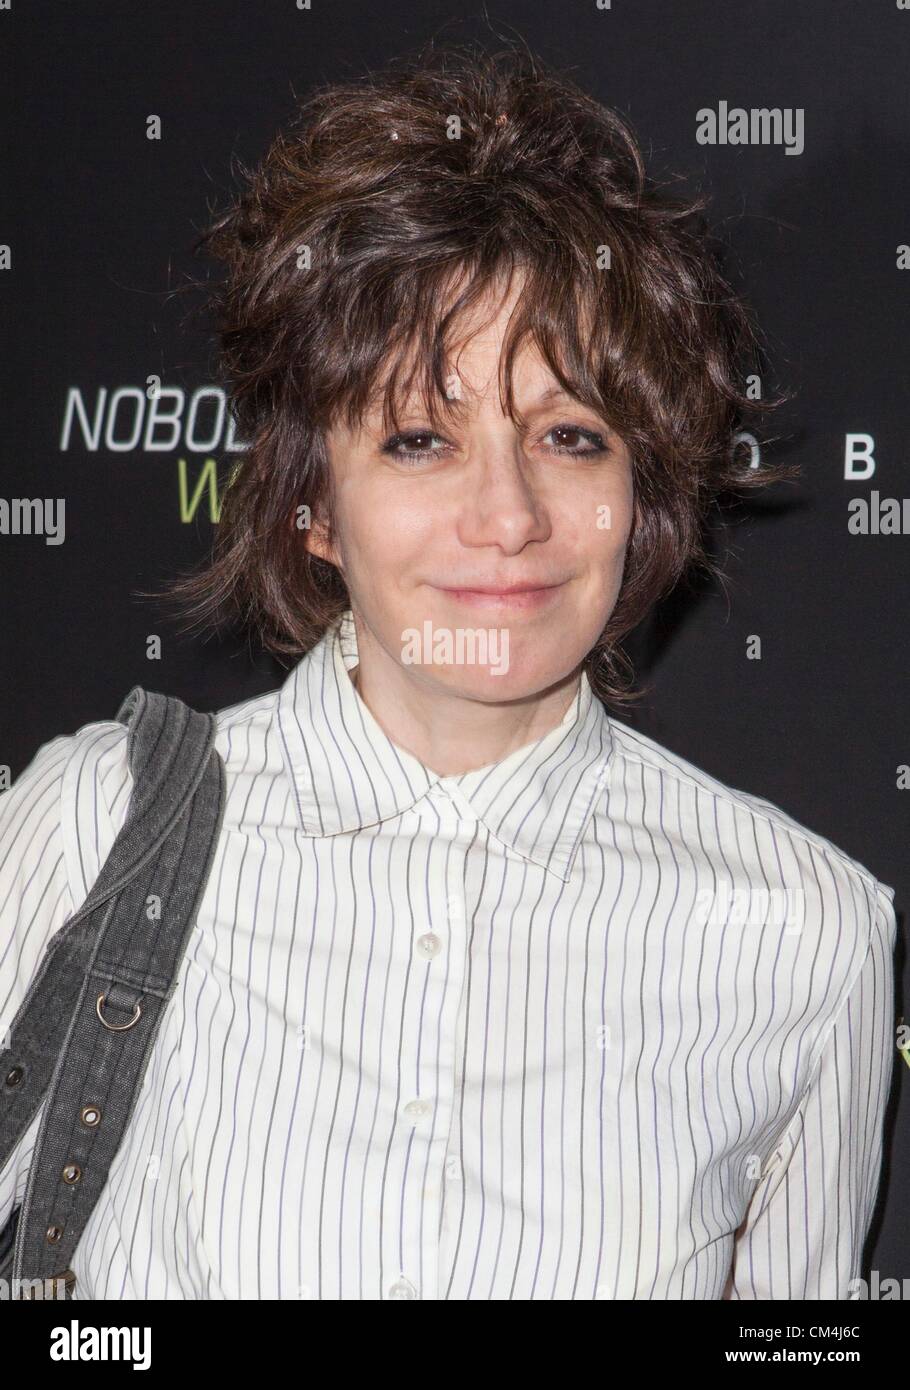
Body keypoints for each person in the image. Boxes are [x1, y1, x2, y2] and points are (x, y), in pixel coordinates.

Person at [0, 41, 897, 1300]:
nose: (508, 515)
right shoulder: (94, 832)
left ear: (640, 502)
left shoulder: (808, 931)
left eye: (570, 437)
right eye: (421, 438)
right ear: (313, 504)